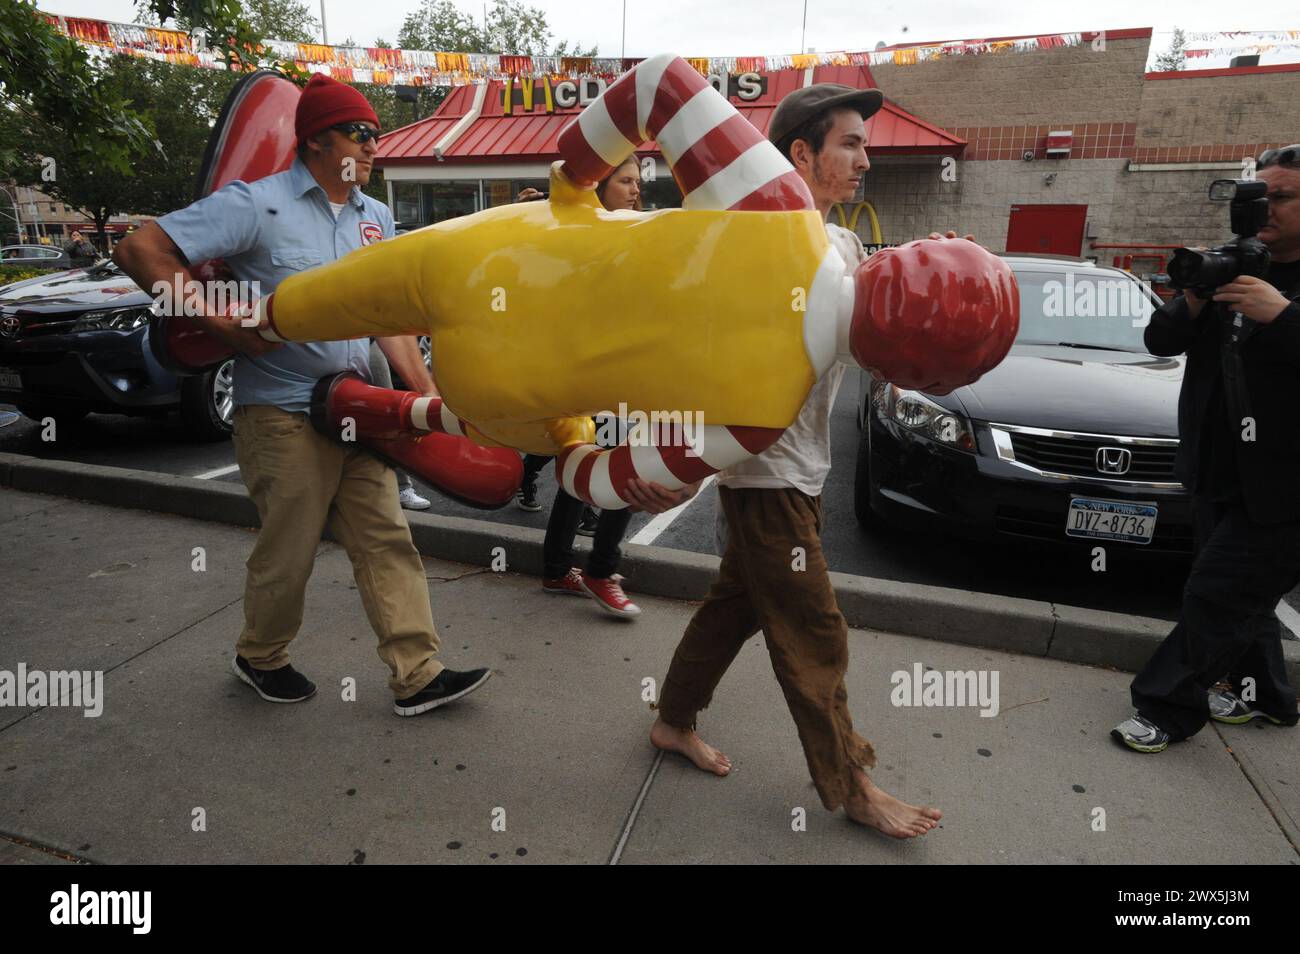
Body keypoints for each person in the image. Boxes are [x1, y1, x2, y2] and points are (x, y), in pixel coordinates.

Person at [113, 73, 491, 717]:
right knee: (289, 552)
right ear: (318, 140)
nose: (375, 147)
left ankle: (417, 673)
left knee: (386, 538)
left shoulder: (375, 217)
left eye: (376, 135)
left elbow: (389, 316)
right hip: (281, 411)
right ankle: (260, 657)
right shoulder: (256, 204)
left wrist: (433, 402)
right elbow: (139, 246)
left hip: (357, 407)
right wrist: (211, 316)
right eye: (361, 135)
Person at [640, 85, 951, 838]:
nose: (865, 160)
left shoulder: (839, 245)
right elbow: (694, 354)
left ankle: (672, 719)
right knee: (817, 633)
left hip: (803, 468)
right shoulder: (750, 244)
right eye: (851, 144)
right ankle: (852, 785)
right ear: (801, 154)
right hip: (764, 473)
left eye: (866, 146)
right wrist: (664, 457)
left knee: (732, 609)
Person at [1112, 144, 1300, 753]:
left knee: (1215, 592)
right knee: (1246, 592)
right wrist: (1194, 295)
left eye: (1282, 197)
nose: (1264, 208)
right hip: (1218, 466)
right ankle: (1267, 696)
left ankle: (1165, 708)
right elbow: (1159, 337)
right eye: (1258, 195)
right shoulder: (1237, 264)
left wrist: (1283, 316)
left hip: (1285, 480)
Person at [518, 159, 645, 616]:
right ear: (599, 187)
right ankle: (599, 570)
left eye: (637, 182)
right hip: (587, 369)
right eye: (625, 181)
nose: (635, 190)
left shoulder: (634, 231)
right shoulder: (577, 234)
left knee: (585, 470)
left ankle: (558, 569)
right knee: (623, 468)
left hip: (618, 368)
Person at [367, 337, 431, 511]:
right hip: (323, 349)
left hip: (365, 340)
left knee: (388, 414)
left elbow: (396, 335)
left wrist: (427, 390)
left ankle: (402, 486)